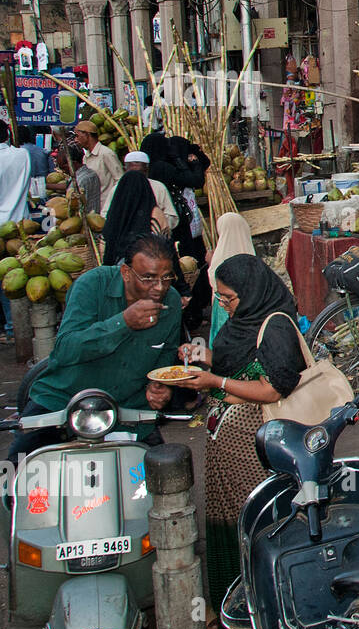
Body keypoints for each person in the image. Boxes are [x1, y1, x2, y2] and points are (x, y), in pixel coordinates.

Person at [171, 253, 307, 606]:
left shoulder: (275, 326)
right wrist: (204, 357)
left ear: (251, 292)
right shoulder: (244, 320)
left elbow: (273, 387)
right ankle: (231, 602)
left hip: (251, 441)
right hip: (224, 437)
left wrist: (214, 380)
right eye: (219, 297)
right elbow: (235, 359)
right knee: (226, 515)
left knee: (253, 516)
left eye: (229, 298)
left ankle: (262, 605)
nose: (224, 305)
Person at [13, 235, 183, 460]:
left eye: (166, 277)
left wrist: (158, 385)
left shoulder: (171, 302)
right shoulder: (91, 286)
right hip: (63, 401)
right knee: (17, 472)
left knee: (164, 478)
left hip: (127, 409)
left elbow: (166, 352)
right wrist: (122, 323)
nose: (159, 288)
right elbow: (65, 349)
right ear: (125, 273)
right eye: (148, 278)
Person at [143, 133, 210, 326]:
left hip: (168, 227)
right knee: (186, 264)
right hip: (175, 227)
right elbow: (195, 179)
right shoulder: (163, 168)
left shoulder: (152, 169)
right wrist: (190, 161)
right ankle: (190, 310)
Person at [0, 121, 32, 339]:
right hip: (20, 226)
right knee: (16, 280)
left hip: (4, 228)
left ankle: (9, 326)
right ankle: (15, 327)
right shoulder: (22, 155)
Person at [207, 212, 255, 345]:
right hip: (248, 311)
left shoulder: (219, 256)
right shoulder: (251, 255)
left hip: (224, 309)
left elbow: (214, 280)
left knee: (224, 339)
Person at [103, 150, 179, 233]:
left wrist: (156, 223)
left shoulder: (159, 188)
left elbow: (172, 217)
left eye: (140, 173)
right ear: (125, 170)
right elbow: (106, 216)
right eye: (132, 173)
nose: (136, 177)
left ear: (147, 170)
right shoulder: (116, 190)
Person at [73, 120, 125, 202]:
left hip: (106, 206)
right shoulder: (86, 157)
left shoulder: (106, 153)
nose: (76, 140)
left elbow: (120, 180)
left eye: (77, 136)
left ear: (87, 134)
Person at [57, 139, 101, 214]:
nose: (63, 171)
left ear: (73, 163)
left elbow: (77, 208)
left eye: (63, 168)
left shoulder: (82, 180)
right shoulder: (91, 174)